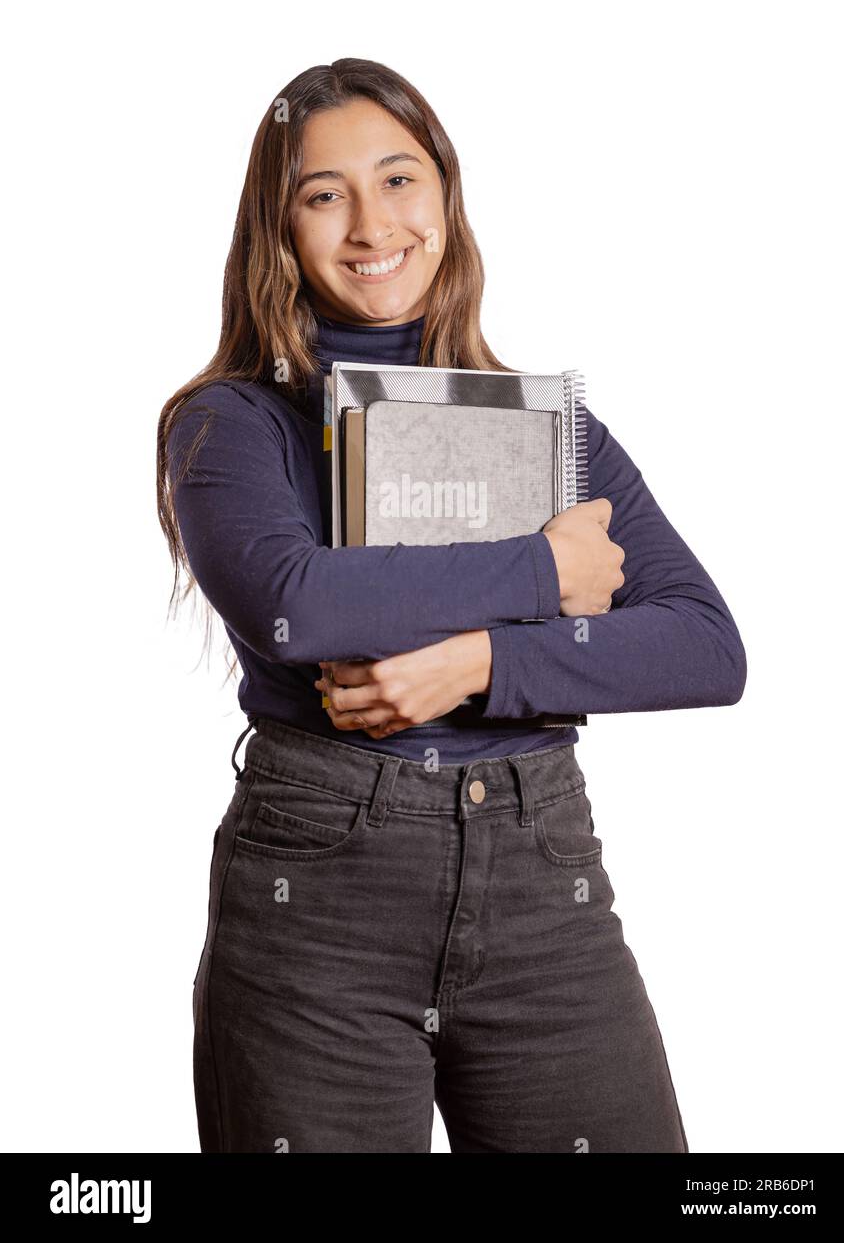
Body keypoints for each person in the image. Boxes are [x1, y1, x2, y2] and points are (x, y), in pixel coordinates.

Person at [156, 58, 747, 1154]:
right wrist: (538, 572)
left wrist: (477, 661)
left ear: (445, 200)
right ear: (276, 229)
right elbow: (296, 604)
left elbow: (703, 647)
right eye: (322, 192)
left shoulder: (547, 431)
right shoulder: (229, 425)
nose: (370, 221)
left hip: (541, 884)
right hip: (319, 893)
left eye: (399, 179)